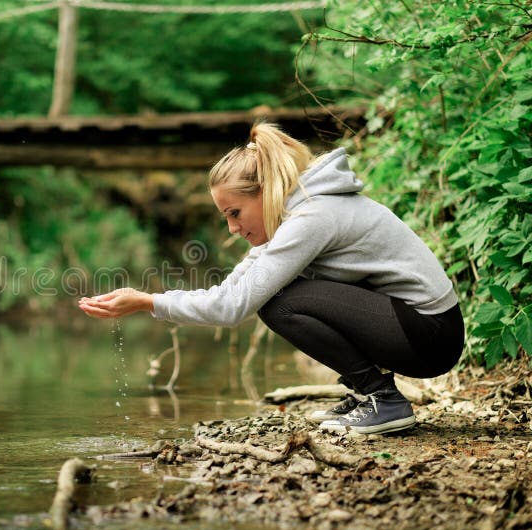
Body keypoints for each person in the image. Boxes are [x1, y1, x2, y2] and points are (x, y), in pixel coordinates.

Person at [78, 122, 464, 435]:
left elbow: (234, 307)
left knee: (280, 302)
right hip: (412, 326)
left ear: (266, 193)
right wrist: (150, 299)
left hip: (430, 335)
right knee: (273, 295)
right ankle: (370, 395)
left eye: (235, 213)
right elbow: (230, 291)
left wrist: (149, 302)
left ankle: (384, 400)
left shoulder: (311, 218)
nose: (231, 228)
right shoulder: (294, 216)